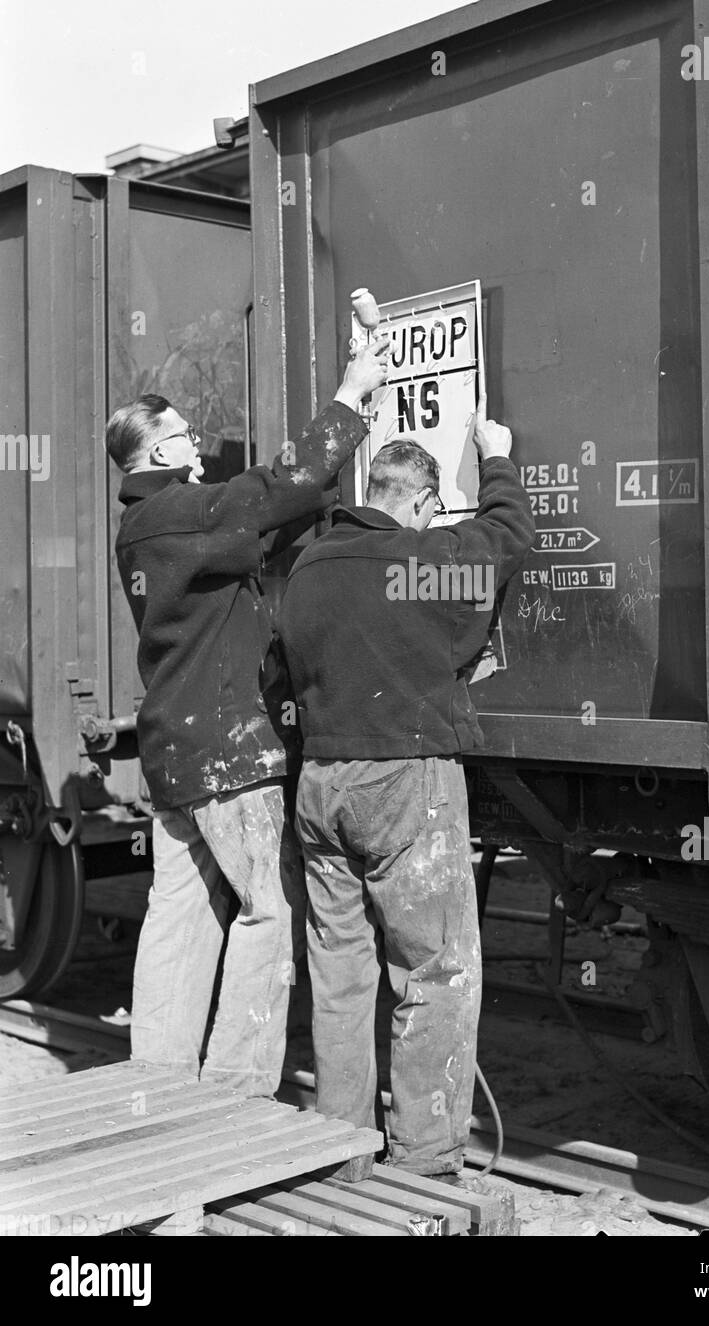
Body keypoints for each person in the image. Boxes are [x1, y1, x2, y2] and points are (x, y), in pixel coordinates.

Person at [105, 337, 389, 1097]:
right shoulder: (177, 514)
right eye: (189, 439)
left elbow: (259, 526)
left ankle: (158, 1081)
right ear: (160, 446)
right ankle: (236, 1090)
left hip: (173, 753)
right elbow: (277, 486)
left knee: (183, 914)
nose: (200, 450)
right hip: (226, 753)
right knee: (268, 910)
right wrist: (351, 394)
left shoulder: (144, 529)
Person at [279, 396, 534, 1176]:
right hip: (402, 782)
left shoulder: (309, 564)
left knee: (341, 974)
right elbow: (506, 537)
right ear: (421, 503)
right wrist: (495, 455)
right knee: (434, 969)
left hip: (320, 784)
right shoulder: (419, 559)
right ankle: (424, 1160)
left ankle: (340, 1152)